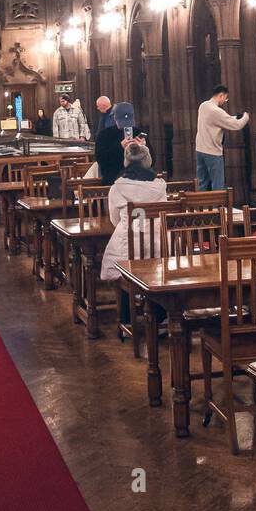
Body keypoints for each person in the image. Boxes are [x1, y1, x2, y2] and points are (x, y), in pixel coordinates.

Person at [101, 141, 167, 334]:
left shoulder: (117, 188)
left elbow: (114, 219)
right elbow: (164, 213)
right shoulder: (160, 186)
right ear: (147, 161)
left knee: (123, 269)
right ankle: (160, 319)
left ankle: (127, 320)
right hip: (157, 245)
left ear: (127, 161)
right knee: (158, 267)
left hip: (129, 246)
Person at [195, 84, 249, 191]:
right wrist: (245, 117)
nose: (225, 101)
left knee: (202, 184)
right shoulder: (216, 111)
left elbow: (218, 120)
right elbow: (236, 125)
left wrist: (234, 117)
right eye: (226, 98)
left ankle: (200, 202)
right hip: (212, 152)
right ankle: (218, 203)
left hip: (200, 150)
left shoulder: (203, 105)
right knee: (217, 186)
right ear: (221, 95)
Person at [94, 95, 125, 185]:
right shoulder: (104, 114)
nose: (97, 108)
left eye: (98, 106)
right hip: (106, 151)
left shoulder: (116, 114)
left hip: (114, 152)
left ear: (103, 105)